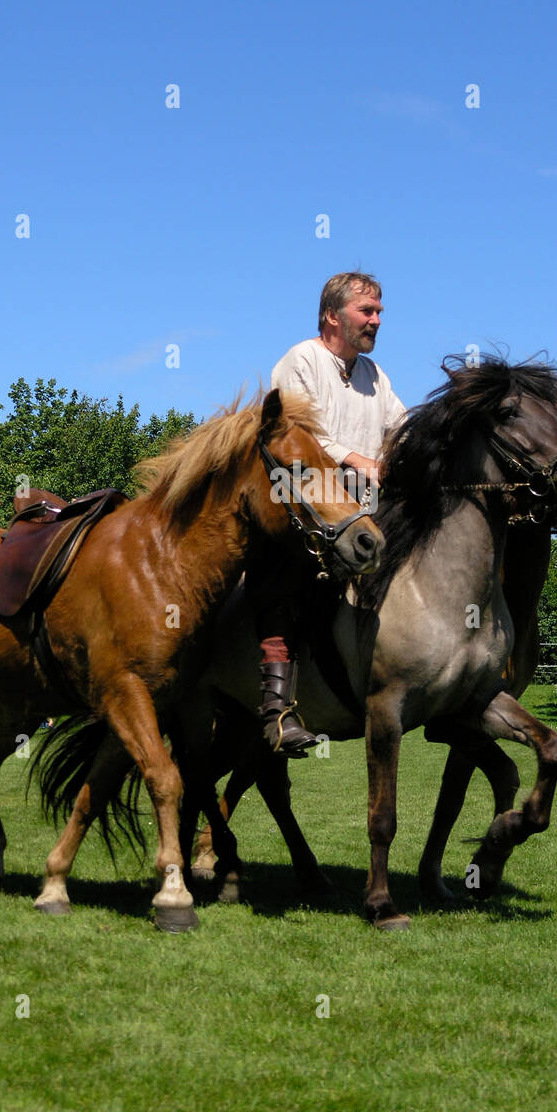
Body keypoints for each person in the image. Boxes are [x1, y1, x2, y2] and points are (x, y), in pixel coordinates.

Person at [250, 272, 405, 755]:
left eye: (379, 311)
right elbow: (292, 434)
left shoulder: (375, 375)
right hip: (304, 502)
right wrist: (353, 457)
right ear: (332, 316)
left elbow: (398, 428)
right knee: (286, 583)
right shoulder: (302, 360)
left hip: (363, 507)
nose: (377, 320)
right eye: (367, 311)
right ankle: (276, 713)